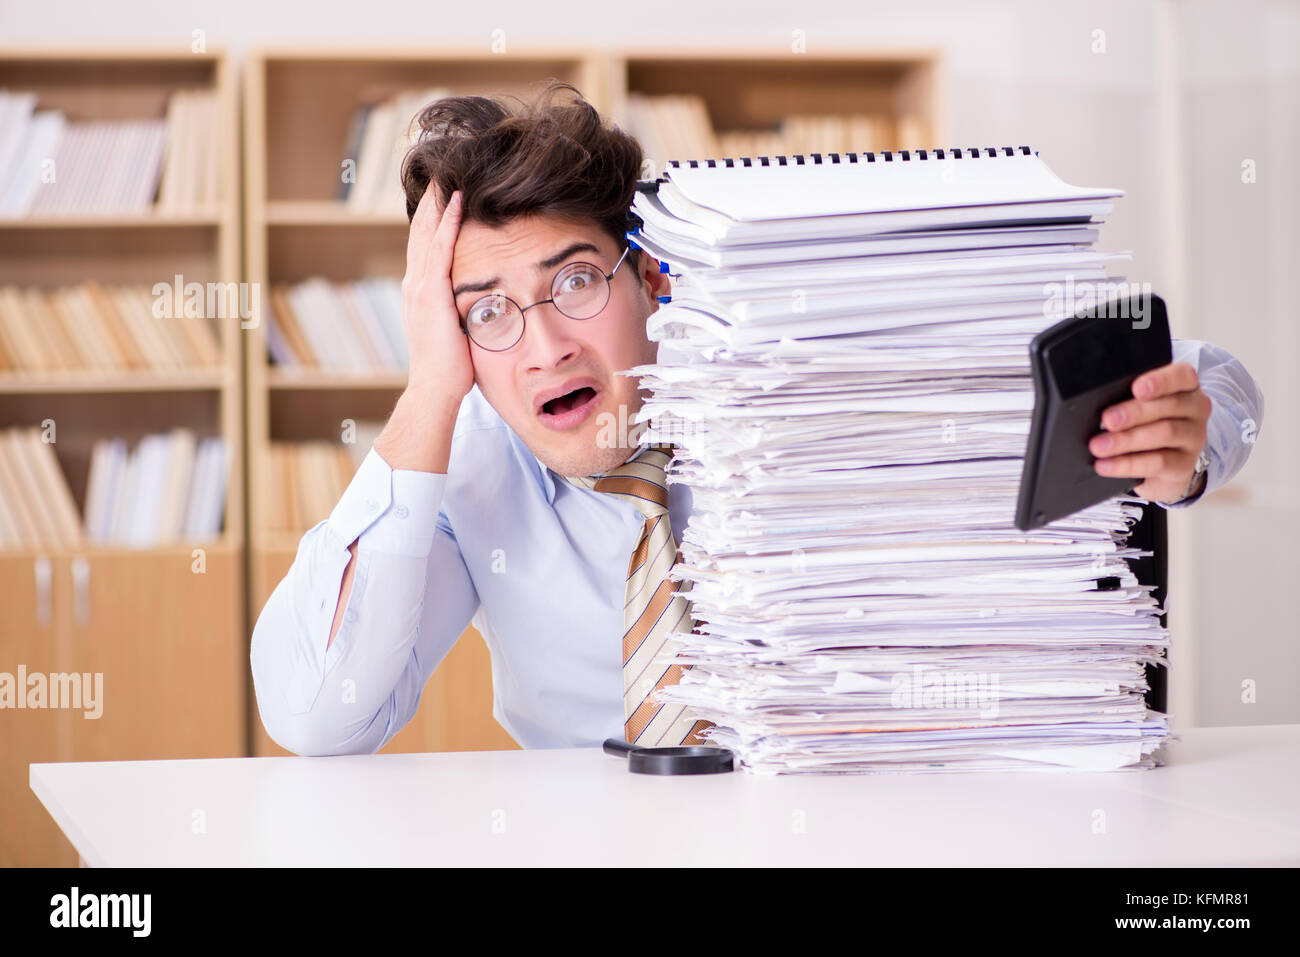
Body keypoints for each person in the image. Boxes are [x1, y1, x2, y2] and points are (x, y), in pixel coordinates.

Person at [250, 81, 1265, 756]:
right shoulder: (471, 463)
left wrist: (1177, 448)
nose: (545, 346)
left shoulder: (783, 369)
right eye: (486, 312)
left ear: (647, 274)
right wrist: (430, 387)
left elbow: (1219, 376)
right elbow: (318, 714)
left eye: (574, 282)